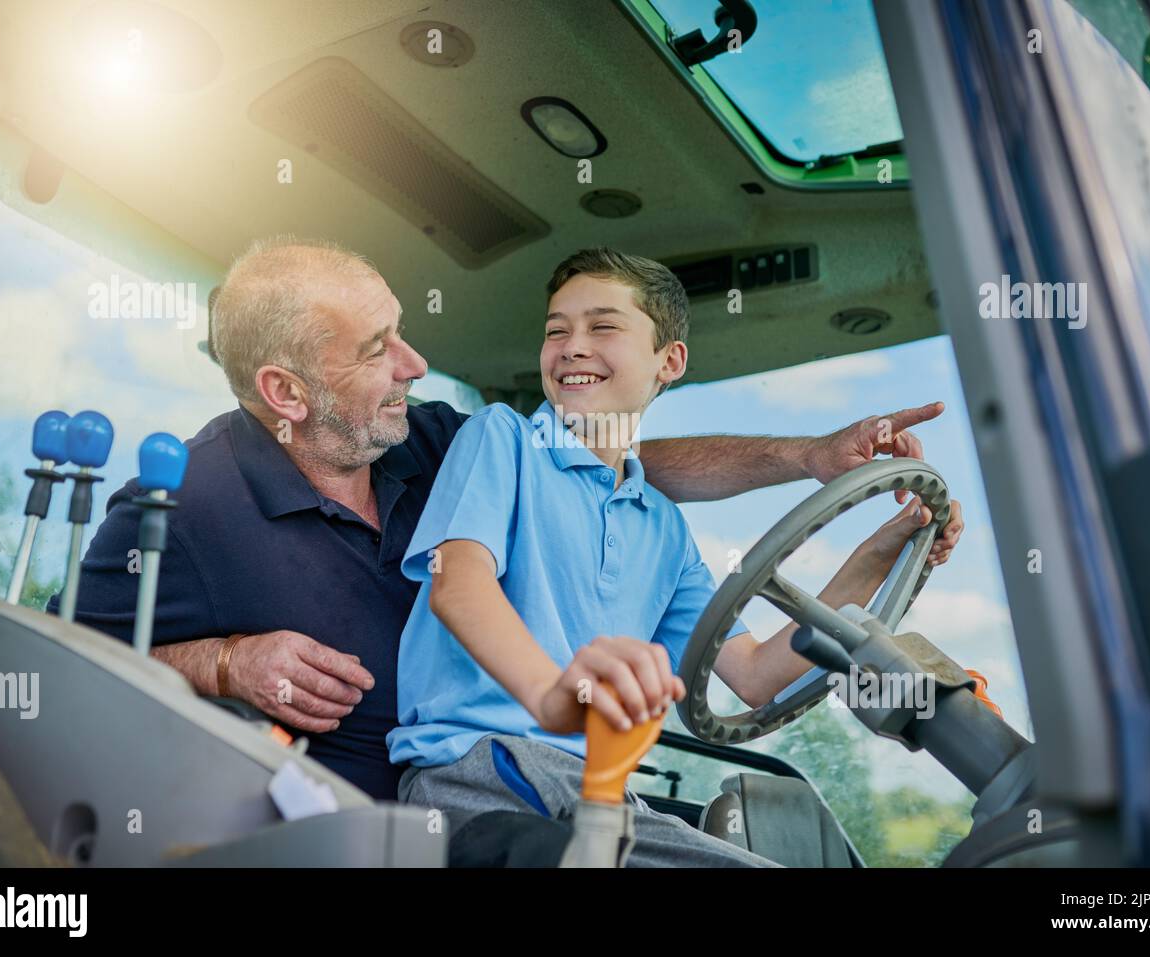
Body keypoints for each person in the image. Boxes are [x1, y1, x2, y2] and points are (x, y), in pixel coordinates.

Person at [51, 236, 962, 802]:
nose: (415, 363)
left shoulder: (430, 439)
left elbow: (620, 468)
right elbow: (57, 678)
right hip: (410, 806)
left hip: (556, 789)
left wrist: (823, 477)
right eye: (378, 349)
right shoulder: (186, 505)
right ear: (286, 392)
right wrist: (221, 662)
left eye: (403, 329)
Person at [389, 248, 963, 865]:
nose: (572, 346)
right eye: (557, 330)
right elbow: (458, 585)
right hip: (487, 772)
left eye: (603, 326)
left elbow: (754, 675)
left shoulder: (663, 526)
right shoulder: (503, 437)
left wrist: (880, 553)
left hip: (595, 790)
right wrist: (556, 695)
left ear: (670, 361)